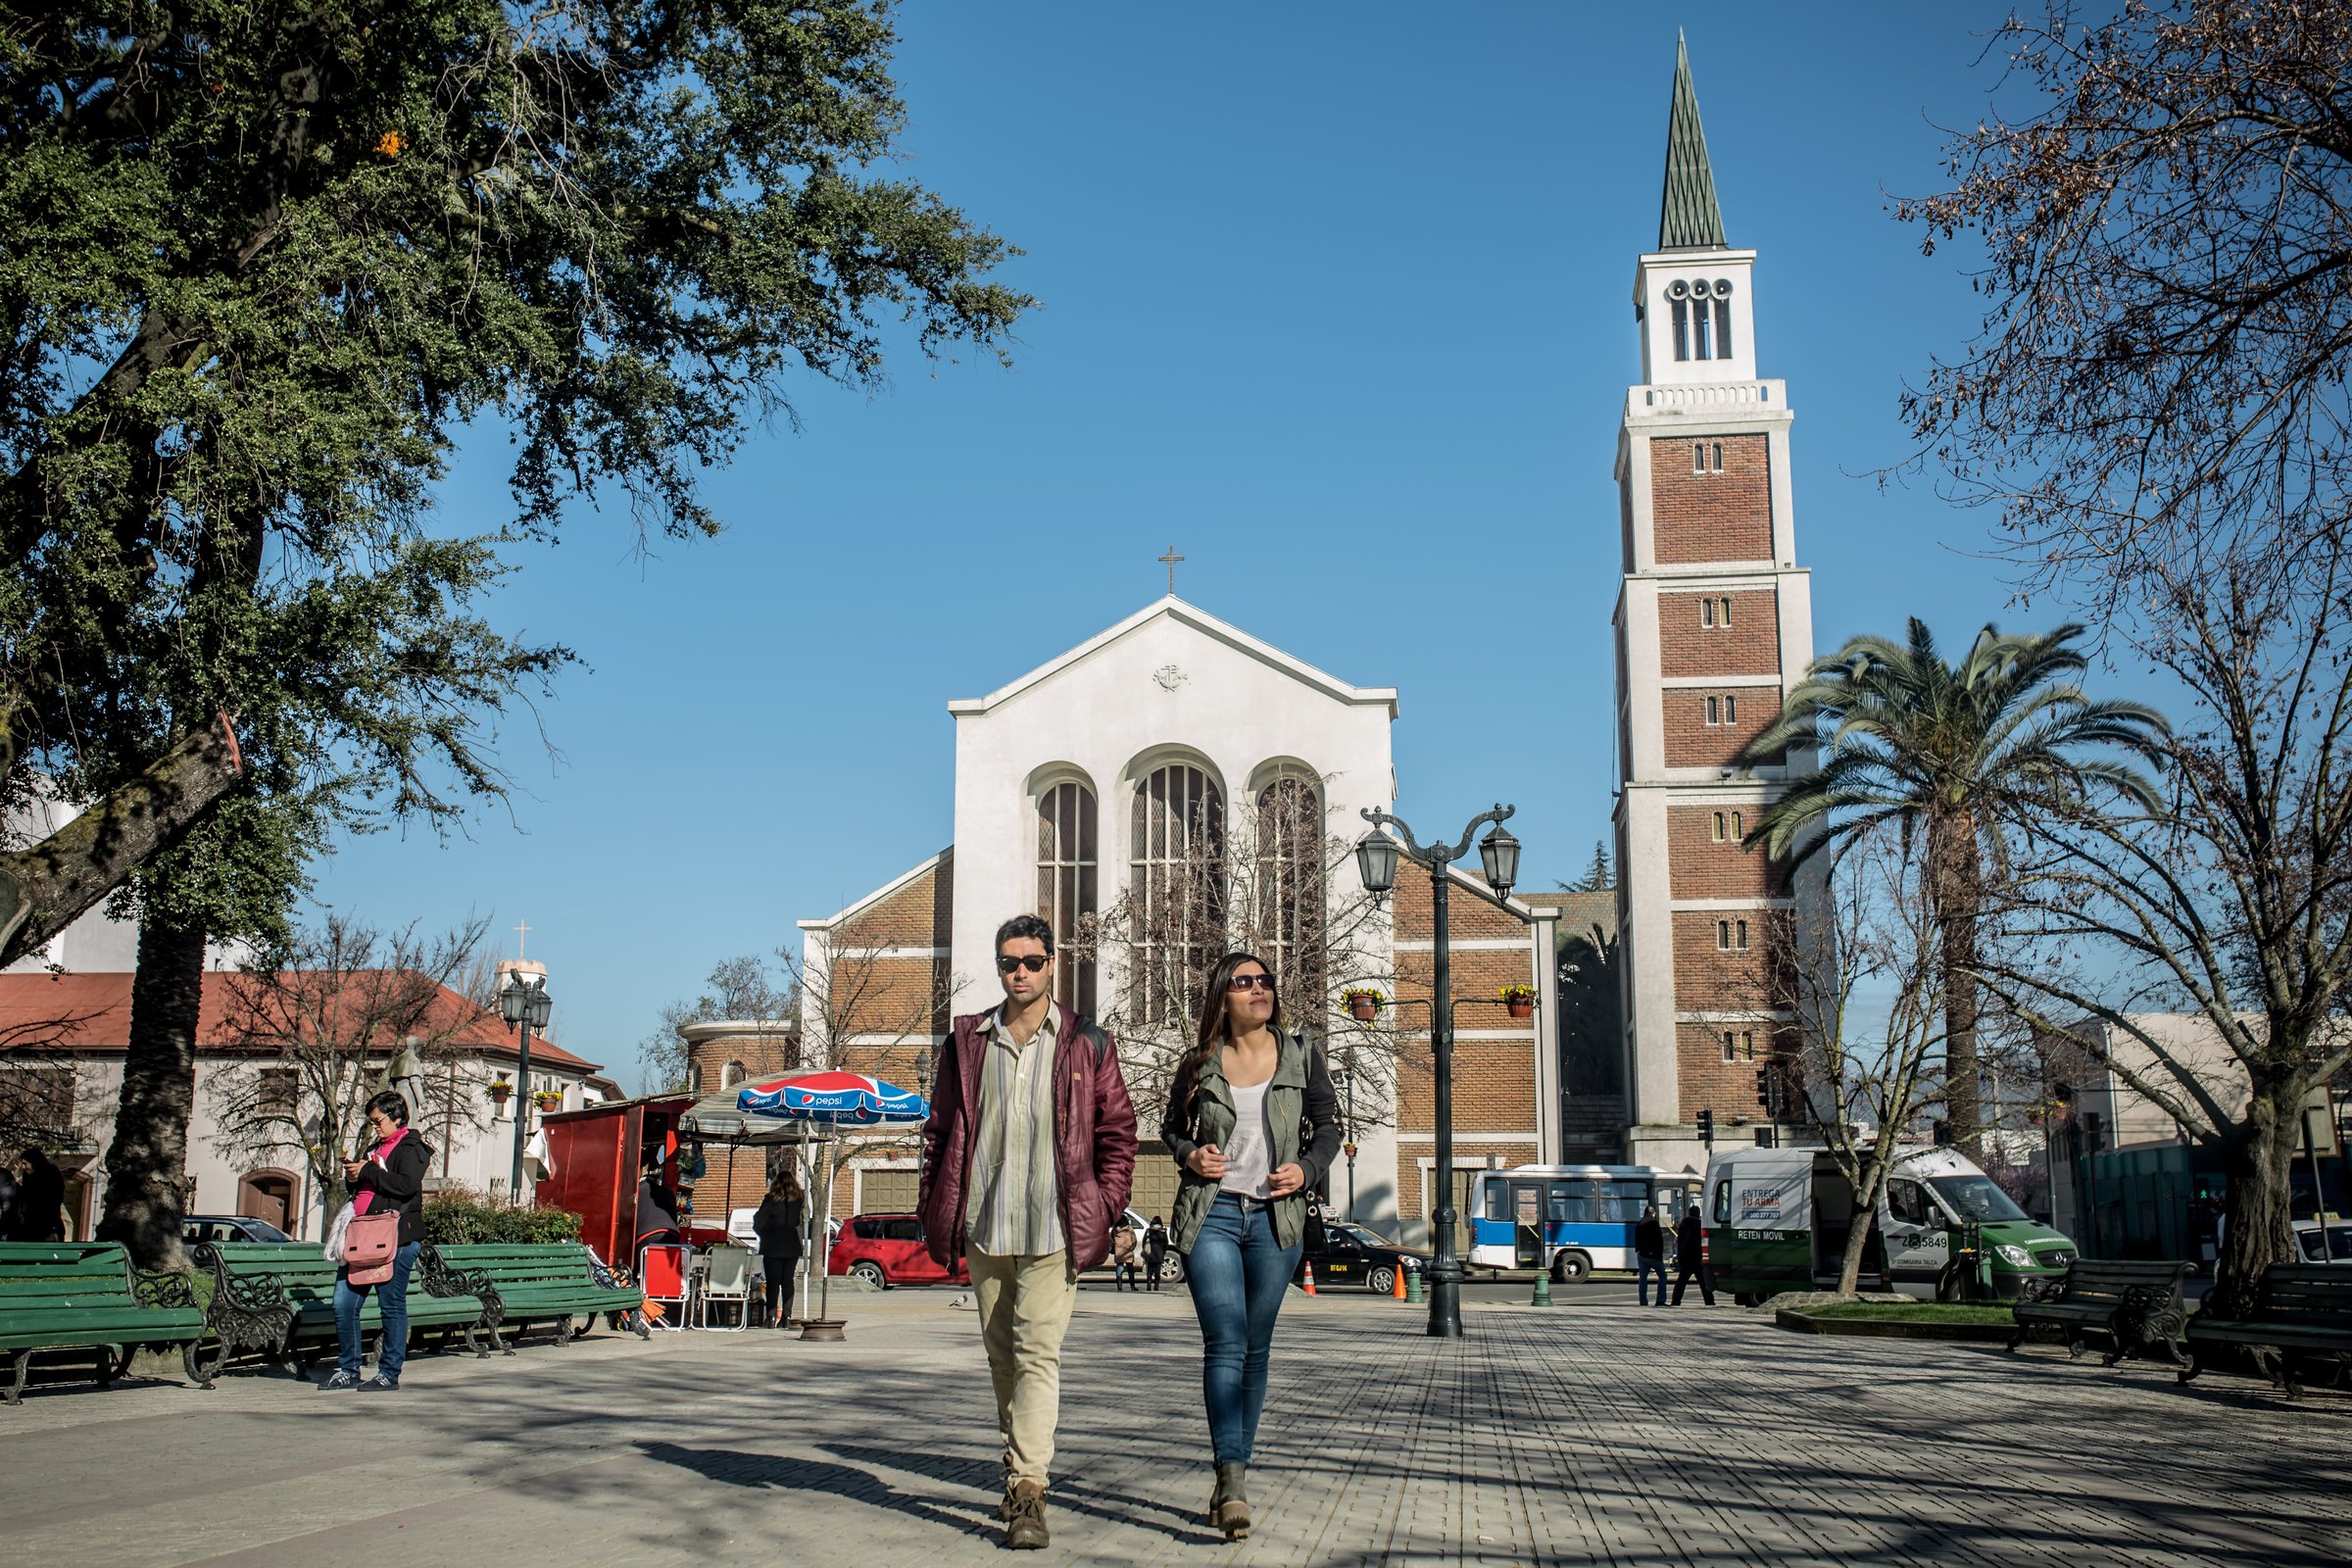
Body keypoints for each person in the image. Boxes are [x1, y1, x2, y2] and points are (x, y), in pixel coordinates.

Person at [917, 914, 1138, 1550]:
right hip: (986, 1225)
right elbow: (939, 1134)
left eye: (1032, 962)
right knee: (1003, 1360)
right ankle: (1018, 1463)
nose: (1020, 972)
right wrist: (936, 1204)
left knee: (1038, 1355)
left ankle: (1028, 1489)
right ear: (998, 966)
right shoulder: (968, 1042)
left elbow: (1117, 1136)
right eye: (1009, 962)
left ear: (1052, 964)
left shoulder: (1086, 1043)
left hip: (1054, 1229)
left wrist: (1105, 1203)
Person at [1161, 951, 1341, 1543]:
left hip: (1277, 1221)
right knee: (1226, 1342)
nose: (1258, 989)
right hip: (1211, 1214)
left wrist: (1308, 1169)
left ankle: (1233, 1471)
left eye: (1264, 981)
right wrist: (1191, 1155)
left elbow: (1330, 1125)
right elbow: (1171, 1130)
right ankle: (1231, 1479)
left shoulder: (1302, 1053)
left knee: (1256, 1349)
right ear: (1223, 997)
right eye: (1243, 982)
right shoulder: (1198, 1063)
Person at [327, 1091, 430, 1392]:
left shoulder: (413, 1147)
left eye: (378, 1120)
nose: (374, 1126)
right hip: (362, 1236)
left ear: (396, 1117)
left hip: (397, 1237)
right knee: (343, 1303)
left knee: (391, 1305)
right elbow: (365, 1185)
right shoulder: (375, 1147)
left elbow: (406, 1185)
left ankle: (389, 1373)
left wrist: (369, 1170)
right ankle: (348, 1368)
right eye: (371, 1121)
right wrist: (354, 1174)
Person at [753, 1165, 808, 1329]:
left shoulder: (770, 1199)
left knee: (773, 1282)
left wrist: (765, 1234)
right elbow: (800, 1221)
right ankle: (786, 1316)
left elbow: (759, 1222)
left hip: (772, 1244)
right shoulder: (798, 1200)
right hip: (792, 1244)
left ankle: (770, 1317)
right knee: (788, 1280)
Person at [1670, 1200, 1714, 1306]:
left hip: (1685, 1258)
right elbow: (1702, 1242)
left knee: (1681, 1282)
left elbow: (1681, 1242)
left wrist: (1680, 1256)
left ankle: (1675, 1301)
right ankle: (1709, 1301)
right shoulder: (1700, 1225)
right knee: (1703, 1283)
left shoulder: (1683, 1224)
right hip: (1697, 1258)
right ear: (1698, 1214)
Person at [19, 1148, 65, 1243]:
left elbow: (55, 1200)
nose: (23, 1167)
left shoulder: (51, 1174)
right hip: (30, 1227)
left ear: (34, 1162)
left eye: (25, 1164)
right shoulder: (27, 1177)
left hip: (49, 1226)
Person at [1635, 1204, 1669, 1308]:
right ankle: (1660, 1300)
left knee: (1643, 1278)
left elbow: (1637, 1238)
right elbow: (1659, 1241)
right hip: (1653, 1256)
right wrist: (1659, 1256)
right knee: (1663, 1276)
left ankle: (1643, 1301)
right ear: (1653, 1213)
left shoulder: (1640, 1222)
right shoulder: (1654, 1223)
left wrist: (1638, 1250)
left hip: (1642, 1255)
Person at [1143, 1216, 1169, 1293]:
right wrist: (1163, 1252)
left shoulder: (1148, 1231)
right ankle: (1156, 1286)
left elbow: (1144, 1242)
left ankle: (1148, 1285)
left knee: (1149, 1271)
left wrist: (1145, 1252)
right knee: (1157, 1272)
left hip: (1150, 1254)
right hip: (1159, 1255)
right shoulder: (1163, 1232)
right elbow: (1166, 1244)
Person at [1111, 1221, 1140, 1291]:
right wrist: (1132, 1247)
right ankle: (1132, 1287)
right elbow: (1134, 1240)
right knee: (1130, 1270)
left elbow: (1111, 1238)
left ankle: (1119, 1286)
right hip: (1127, 1250)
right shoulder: (1129, 1228)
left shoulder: (1115, 1229)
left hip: (1119, 1251)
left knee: (1119, 1267)